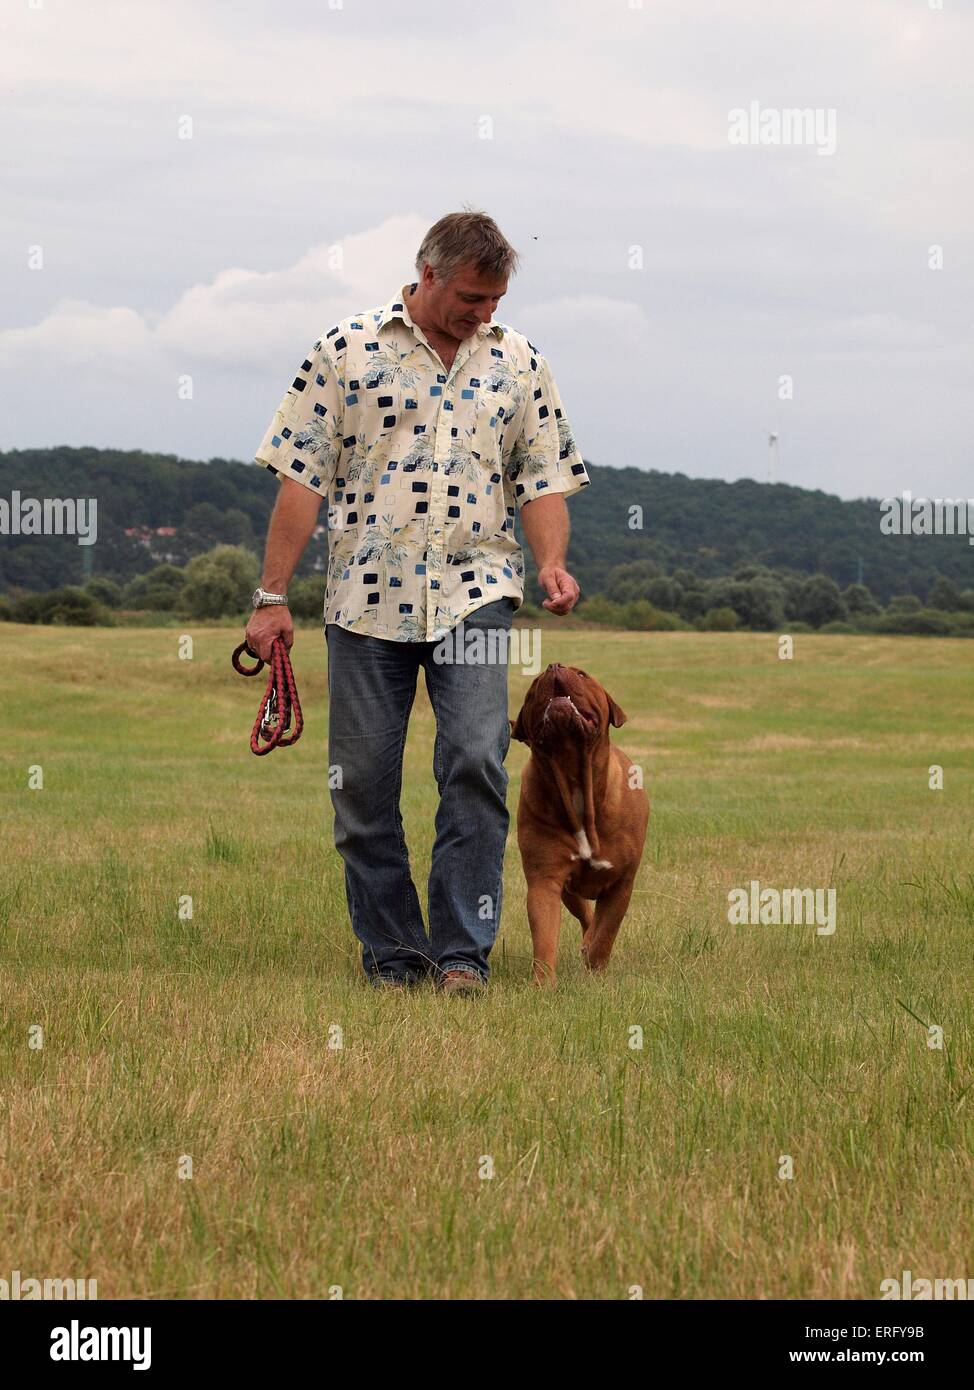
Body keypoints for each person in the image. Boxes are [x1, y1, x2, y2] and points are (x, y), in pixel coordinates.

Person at [245, 209, 591, 993]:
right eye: (471, 297)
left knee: (475, 758)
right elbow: (300, 478)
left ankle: (464, 955)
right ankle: (395, 955)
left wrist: (553, 563)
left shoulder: (519, 362)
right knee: (363, 787)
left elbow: (540, 477)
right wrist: (272, 597)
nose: (483, 313)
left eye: (495, 300)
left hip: (477, 593)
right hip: (365, 602)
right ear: (426, 274)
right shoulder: (344, 351)